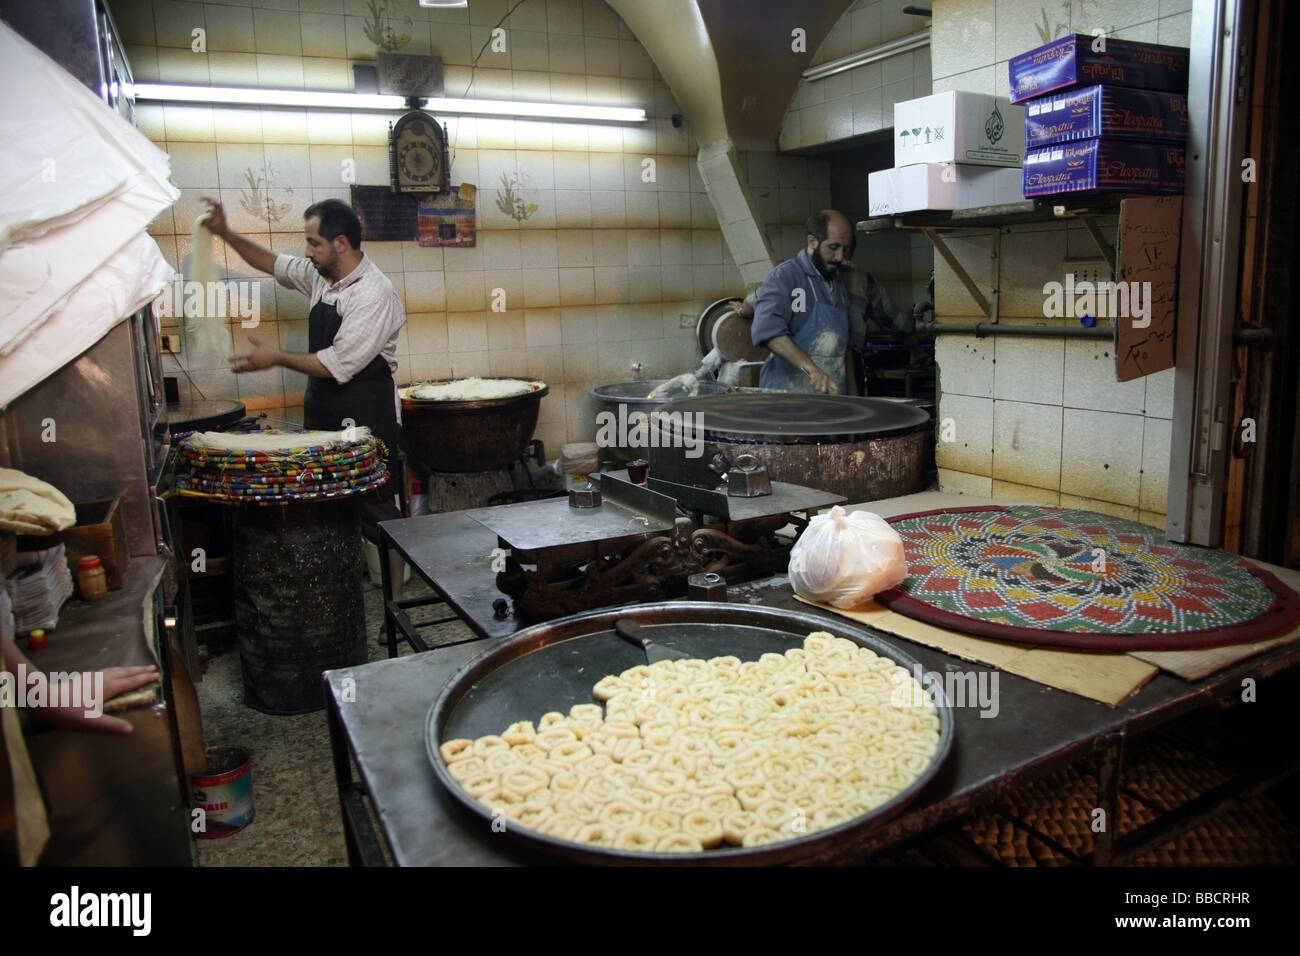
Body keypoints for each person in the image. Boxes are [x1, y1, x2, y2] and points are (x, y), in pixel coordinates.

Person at [200, 197, 408, 590]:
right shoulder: (321, 275)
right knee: (326, 500)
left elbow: (337, 365)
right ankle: (340, 590)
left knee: (376, 507)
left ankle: (396, 600)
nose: (307, 252)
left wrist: (275, 356)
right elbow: (271, 263)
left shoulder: (373, 293)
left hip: (366, 412)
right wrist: (224, 233)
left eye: (314, 243)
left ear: (340, 243)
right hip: (324, 408)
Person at [732, 232, 925, 395]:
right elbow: (897, 322)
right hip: (796, 371)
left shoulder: (854, 279)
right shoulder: (794, 274)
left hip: (843, 369)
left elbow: (895, 321)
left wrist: (744, 308)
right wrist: (916, 349)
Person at [749, 210, 855, 395]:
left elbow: (845, 349)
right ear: (812, 241)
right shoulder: (785, 277)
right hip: (788, 400)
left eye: (845, 249)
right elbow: (767, 331)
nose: (840, 257)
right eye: (833, 247)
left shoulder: (839, 285)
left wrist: (855, 398)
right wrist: (812, 369)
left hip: (833, 401)